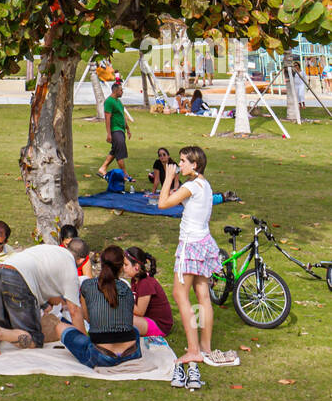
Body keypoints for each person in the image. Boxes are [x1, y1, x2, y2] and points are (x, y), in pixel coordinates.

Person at [159, 144, 238, 384]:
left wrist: (168, 176)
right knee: (203, 294)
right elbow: (180, 199)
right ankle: (204, 347)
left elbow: (163, 204)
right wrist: (175, 180)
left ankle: (194, 350)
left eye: (183, 161)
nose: (180, 164)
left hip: (190, 246)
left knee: (179, 294)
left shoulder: (191, 186)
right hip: (204, 243)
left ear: (195, 165)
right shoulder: (203, 185)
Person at [0, 244, 85, 356]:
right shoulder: (70, 266)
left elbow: (44, 281)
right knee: (35, 339)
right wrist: (84, 342)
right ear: (82, 260)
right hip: (18, 278)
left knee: (5, 325)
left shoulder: (53, 250)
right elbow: (75, 310)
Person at [50, 246, 143, 369]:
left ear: (102, 263)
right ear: (121, 268)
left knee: (60, 326)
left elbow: (88, 319)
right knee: (134, 330)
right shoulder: (126, 288)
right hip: (131, 353)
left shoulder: (88, 286)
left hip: (101, 356)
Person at [123, 246, 174, 337]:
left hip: (159, 326)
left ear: (136, 267)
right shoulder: (135, 280)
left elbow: (140, 311)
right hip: (146, 320)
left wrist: (123, 299)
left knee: (121, 320)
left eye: (126, 265)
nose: (124, 268)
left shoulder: (145, 283)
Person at [98, 80, 129, 177]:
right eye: (121, 90)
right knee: (119, 152)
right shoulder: (109, 101)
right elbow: (107, 118)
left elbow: (122, 116)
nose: (122, 92)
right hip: (115, 130)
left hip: (121, 129)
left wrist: (127, 129)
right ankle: (125, 174)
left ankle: (103, 168)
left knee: (115, 151)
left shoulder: (119, 102)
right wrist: (109, 133)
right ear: (115, 91)